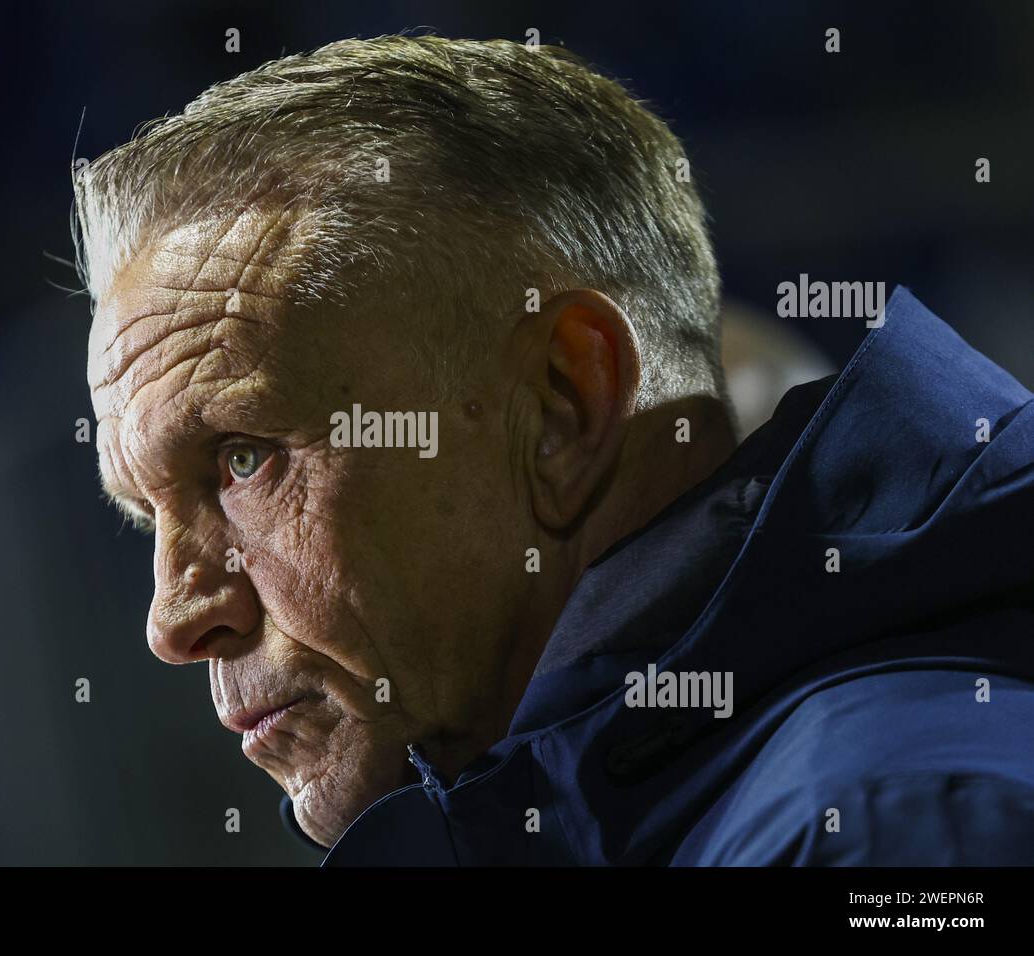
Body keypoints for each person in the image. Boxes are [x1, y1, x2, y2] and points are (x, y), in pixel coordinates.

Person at [73, 35, 1034, 864]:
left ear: (564, 407)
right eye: (145, 511)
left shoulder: (882, 838)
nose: (173, 619)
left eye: (243, 461)